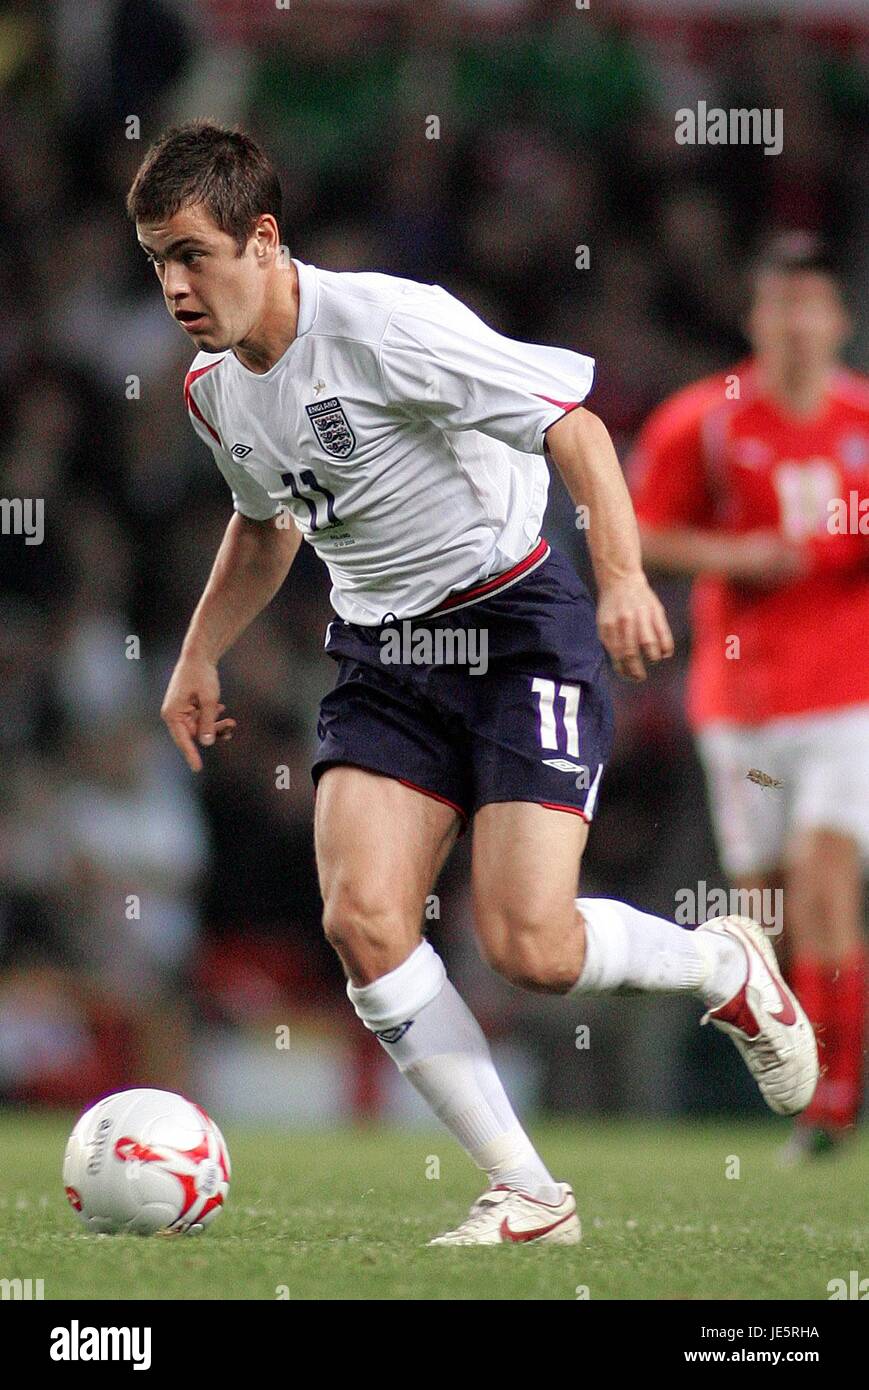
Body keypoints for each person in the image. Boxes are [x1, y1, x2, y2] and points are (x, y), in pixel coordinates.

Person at [127, 123, 818, 1244]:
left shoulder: (389, 324)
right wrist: (199, 651)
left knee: (528, 947)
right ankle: (530, 1195)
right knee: (362, 921)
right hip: (383, 655)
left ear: (262, 238)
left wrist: (623, 579)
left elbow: (574, 427)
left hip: (514, 629)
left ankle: (719, 964)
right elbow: (266, 526)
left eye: (192, 254)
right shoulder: (216, 391)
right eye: (156, 259)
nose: (173, 285)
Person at [630, 233, 867, 1161]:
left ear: (838, 321)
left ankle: (832, 1098)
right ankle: (807, 1070)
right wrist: (736, 556)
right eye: (781, 306)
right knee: (764, 904)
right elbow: (641, 534)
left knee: (824, 885)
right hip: (741, 699)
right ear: (755, 321)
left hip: (845, 692)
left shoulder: (861, 421)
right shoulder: (706, 422)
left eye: (813, 306)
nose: (798, 325)